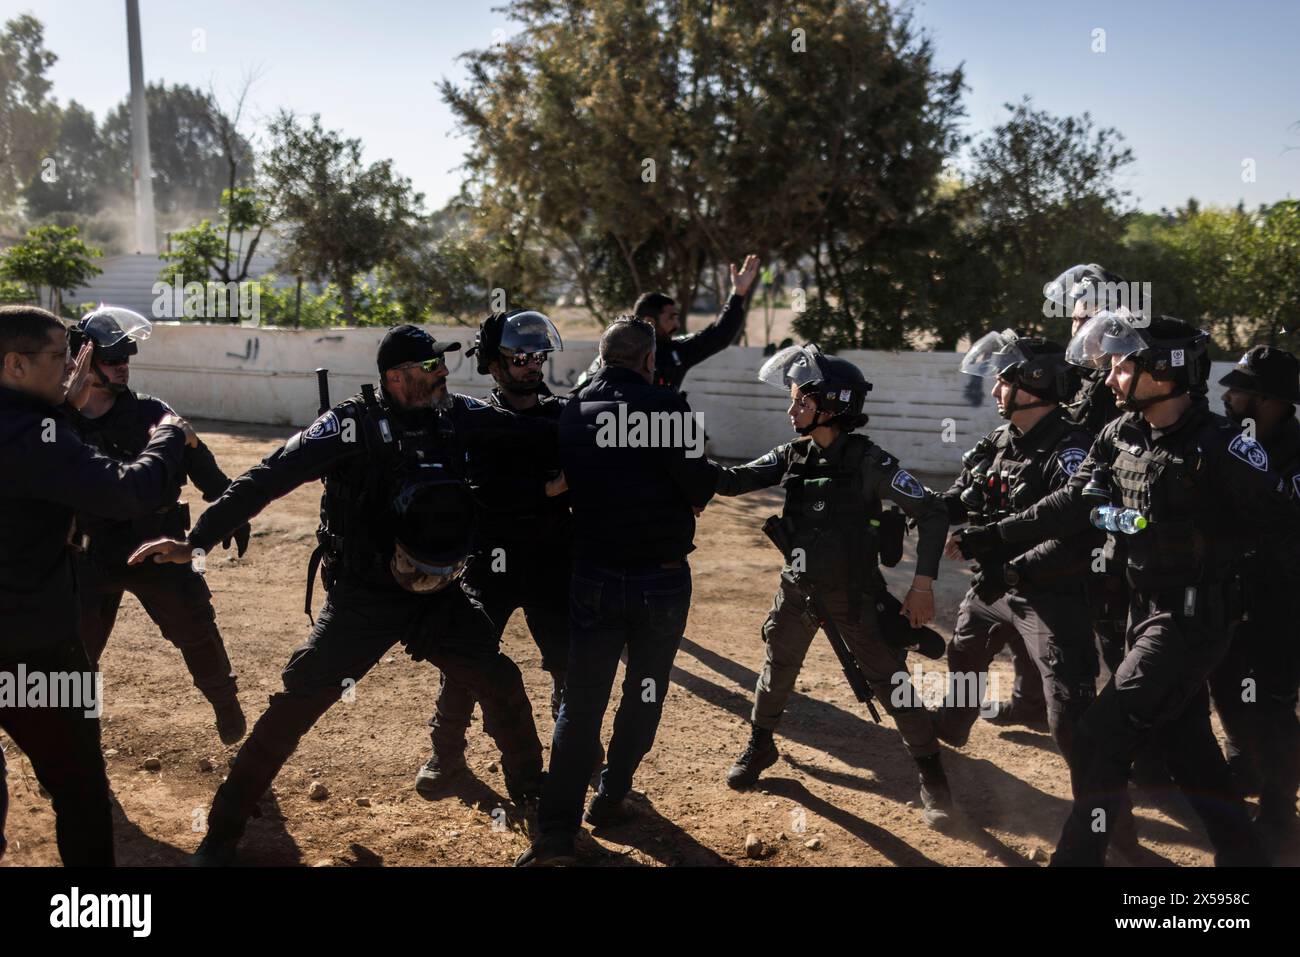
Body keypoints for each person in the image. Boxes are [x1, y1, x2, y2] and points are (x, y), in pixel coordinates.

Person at [130, 325, 551, 865]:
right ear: (395, 377)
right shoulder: (349, 426)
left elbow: (528, 430)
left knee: (500, 681)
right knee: (297, 702)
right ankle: (223, 830)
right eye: (430, 366)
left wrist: (597, 416)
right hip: (365, 599)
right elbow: (266, 478)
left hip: (438, 595)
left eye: (442, 364)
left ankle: (539, 807)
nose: (443, 372)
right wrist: (197, 540)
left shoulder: (455, 414)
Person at [971, 313, 1290, 865]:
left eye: (1121, 366)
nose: (1109, 378)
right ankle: (1247, 859)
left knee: (1097, 735)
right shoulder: (1120, 433)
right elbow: (1073, 502)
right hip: (1140, 613)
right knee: (1189, 753)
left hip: (1193, 621)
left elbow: (1281, 523)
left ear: (1164, 370)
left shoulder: (1222, 447)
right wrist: (998, 536)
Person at [710, 344, 955, 828]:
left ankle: (932, 775)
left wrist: (921, 586)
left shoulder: (870, 462)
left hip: (856, 597)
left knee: (892, 683)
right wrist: (675, 458)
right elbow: (733, 481)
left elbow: (933, 510)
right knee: (777, 667)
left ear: (833, 405)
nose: (791, 409)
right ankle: (761, 746)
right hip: (798, 590)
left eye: (800, 400)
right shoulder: (791, 454)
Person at [516, 317, 718, 866]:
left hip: (594, 576)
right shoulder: (669, 409)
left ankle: (555, 833)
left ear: (603, 358)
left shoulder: (574, 411)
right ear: (649, 360)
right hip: (661, 579)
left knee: (580, 706)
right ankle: (610, 796)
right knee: (644, 692)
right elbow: (702, 487)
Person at [0, 304, 192, 866]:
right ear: (15, 363)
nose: (73, 370)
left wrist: (61, 407)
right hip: (35, 653)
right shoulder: (33, 438)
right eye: (60, 358)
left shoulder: (34, 425)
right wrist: (169, 435)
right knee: (80, 790)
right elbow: (131, 490)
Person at [64, 306, 247, 745]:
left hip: (157, 546)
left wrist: (230, 507)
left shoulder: (152, 412)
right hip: (88, 555)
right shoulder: (57, 421)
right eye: (112, 359)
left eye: (127, 358)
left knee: (196, 631)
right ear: (85, 360)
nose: (123, 366)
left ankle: (224, 700)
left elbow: (200, 462)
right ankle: (78, 745)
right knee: (73, 660)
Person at [415, 309, 573, 797]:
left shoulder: (563, 416)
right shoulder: (472, 420)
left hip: (552, 561)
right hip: (490, 560)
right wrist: (547, 490)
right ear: (493, 365)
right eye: (520, 357)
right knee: (467, 661)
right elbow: (482, 490)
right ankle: (445, 757)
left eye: (538, 356)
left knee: (568, 665)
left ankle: (575, 754)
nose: (532, 365)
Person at [935, 332, 1102, 776]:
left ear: (1035, 385)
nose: (993, 392)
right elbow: (962, 496)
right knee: (965, 650)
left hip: (1051, 593)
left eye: (1003, 382)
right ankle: (952, 727)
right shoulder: (1000, 439)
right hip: (995, 585)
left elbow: (1078, 531)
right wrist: (914, 506)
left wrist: (1009, 561)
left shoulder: (1071, 450)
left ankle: (1106, 811)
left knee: (1067, 709)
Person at [1213, 345, 1300, 848]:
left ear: (1268, 400)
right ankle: (1243, 764)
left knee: (1272, 705)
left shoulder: (1295, 460)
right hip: (1231, 597)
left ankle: (1279, 808)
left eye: (1240, 388)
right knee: (1224, 685)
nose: (1227, 395)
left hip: (1282, 605)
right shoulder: (1228, 441)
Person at [575, 255, 761, 394]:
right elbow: (580, 395)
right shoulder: (614, 355)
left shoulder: (676, 353)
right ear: (650, 321)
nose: (677, 324)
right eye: (671, 317)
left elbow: (718, 336)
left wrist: (737, 294)